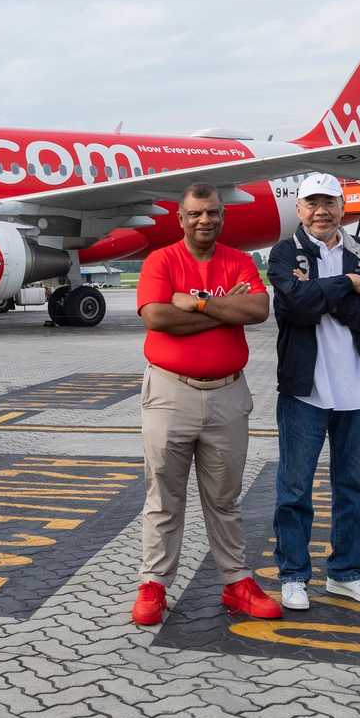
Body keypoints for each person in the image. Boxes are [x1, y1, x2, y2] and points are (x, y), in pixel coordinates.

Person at [130, 182, 279, 626]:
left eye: (212, 212)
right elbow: (156, 316)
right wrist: (222, 307)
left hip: (228, 395)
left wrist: (195, 303)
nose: (205, 220)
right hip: (170, 393)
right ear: (180, 218)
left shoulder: (239, 259)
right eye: (195, 213)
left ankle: (237, 583)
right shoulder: (162, 259)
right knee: (163, 497)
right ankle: (153, 585)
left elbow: (257, 310)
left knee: (225, 498)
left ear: (222, 216)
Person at [266, 173, 360, 612]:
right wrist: (348, 286)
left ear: (343, 207)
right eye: (312, 203)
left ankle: (347, 573)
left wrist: (320, 293)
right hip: (305, 389)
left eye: (329, 202)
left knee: (355, 487)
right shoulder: (284, 252)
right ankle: (294, 575)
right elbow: (295, 308)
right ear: (298, 210)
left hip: (354, 389)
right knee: (295, 488)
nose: (321, 211)